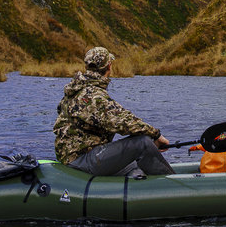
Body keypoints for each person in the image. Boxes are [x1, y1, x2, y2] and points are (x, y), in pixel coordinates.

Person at [52, 46, 174, 177]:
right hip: (82, 160)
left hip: (75, 157)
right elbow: (124, 121)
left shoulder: (77, 89)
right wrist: (156, 135)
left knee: (135, 167)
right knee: (142, 143)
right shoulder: (93, 95)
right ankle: (175, 183)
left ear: (87, 66)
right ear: (109, 66)